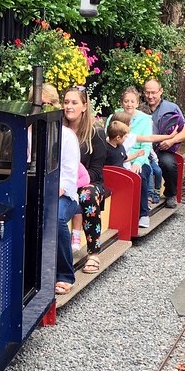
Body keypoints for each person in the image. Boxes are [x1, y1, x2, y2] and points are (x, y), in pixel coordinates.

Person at [63, 86, 107, 274]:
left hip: (88, 182)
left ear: (84, 106)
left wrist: (74, 183)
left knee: (87, 196)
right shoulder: (58, 129)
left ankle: (93, 252)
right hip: (63, 181)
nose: (69, 106)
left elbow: (96, 171)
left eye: (74, 102)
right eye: (66, 102)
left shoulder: (95, 133)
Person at [142, 78, 185, 208]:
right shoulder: (139, 108)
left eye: (153, 92)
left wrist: (171, 141)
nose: (150, 96)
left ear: (161, 91)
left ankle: (170, 194)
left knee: (168, 164)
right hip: (142, 149)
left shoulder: (172, 108)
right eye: (147, 92)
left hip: (162, 149)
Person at [56, 123, 80, 295]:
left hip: (64, 195)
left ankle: (65, 274)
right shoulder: (21, 132)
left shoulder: (66, 136)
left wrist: (49, 194)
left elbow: (69, 176)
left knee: (56, 218)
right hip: (30, 191)